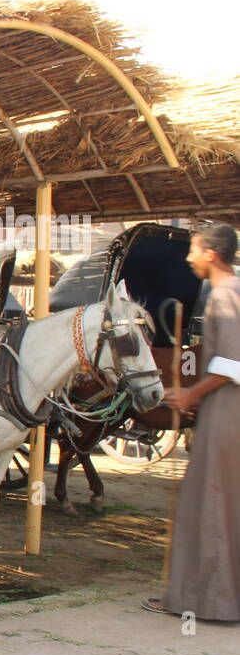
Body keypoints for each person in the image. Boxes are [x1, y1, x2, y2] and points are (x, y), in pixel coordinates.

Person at [143, 224, 240, 619]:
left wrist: (189, 394)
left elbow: (231, 363)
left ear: (211, 255)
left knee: (208, 502)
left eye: (194, 251)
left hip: (228, 408)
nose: (188, 258)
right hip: (223, 407)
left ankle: (205, 600)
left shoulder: (225, 295)